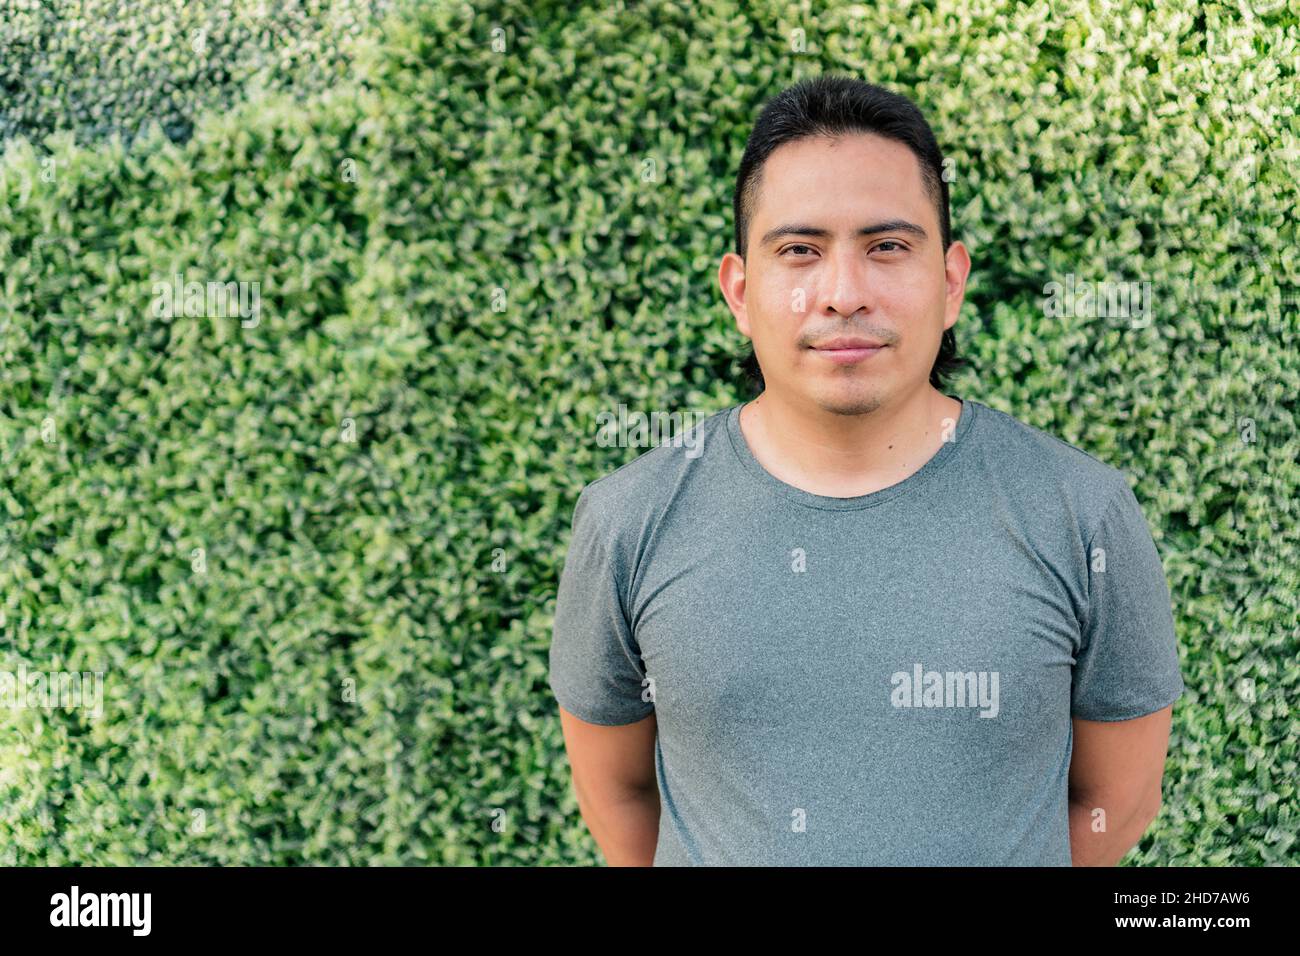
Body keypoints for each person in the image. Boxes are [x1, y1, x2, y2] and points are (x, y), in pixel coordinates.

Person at [548, 74, 1185, 866]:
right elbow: (619, 795)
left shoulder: (1083, 513)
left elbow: (1114, 803)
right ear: (740, 292)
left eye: (887, 247)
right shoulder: (627, 520)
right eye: (800, 252)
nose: (844, 293)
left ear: (951, 281)